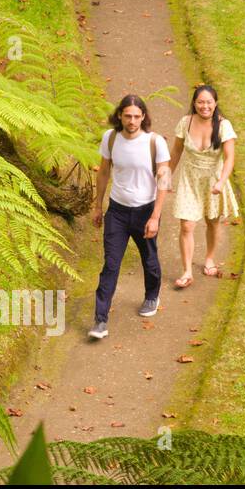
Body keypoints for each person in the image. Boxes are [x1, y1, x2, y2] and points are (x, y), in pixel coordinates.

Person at [88, 95, 171, 340]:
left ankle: (152, 295)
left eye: (136, 116)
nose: (132, 121)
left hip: (146, 210)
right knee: (111, 265)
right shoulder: (111, 138)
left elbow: (163, 180)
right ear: (120, 116)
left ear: (143, 116)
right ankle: (100, 320)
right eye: (127, 116)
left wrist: (155, 216)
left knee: (149, 260)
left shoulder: (154, 142)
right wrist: (97, 205)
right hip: (118, 212)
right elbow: (103, 172)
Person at [168, 84, 239, 288]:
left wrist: (221, 181)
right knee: (187, 225)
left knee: (212, 222)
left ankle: (209, 258)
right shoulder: (185, 122)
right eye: (200, 102)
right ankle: (187, 271)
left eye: (209, 102)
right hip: (189, 179)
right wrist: (165, 178)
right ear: (194, 103)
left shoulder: (224, 126)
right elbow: (176, 152)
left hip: (213, 180)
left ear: (215, 103)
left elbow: (229, 158)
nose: (204, 106)